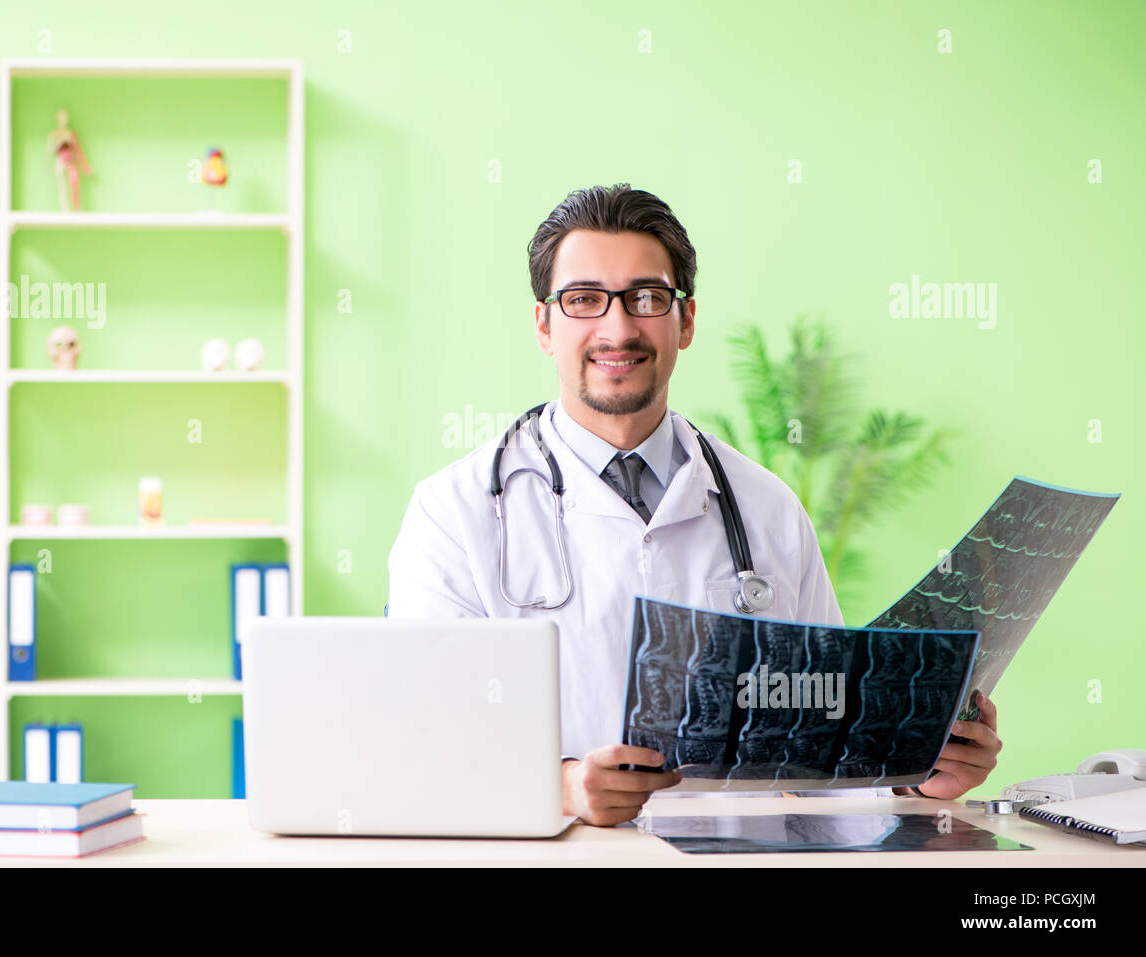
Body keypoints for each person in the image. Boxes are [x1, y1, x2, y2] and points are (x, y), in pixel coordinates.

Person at [387, 183, 1001, 826]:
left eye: (647, 297)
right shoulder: (455, 513)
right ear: (545, 324)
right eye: (584, 300)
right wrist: (559, 787)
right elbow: (419, 740)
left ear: (686, 320)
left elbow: (824, 756)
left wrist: (917, 777)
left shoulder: (767, 510)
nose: (617, 328)